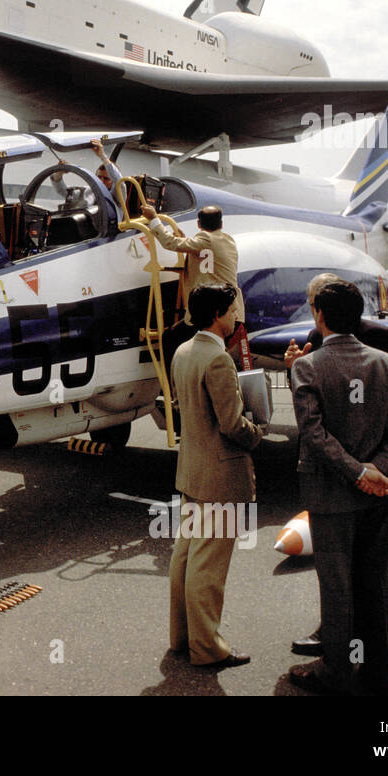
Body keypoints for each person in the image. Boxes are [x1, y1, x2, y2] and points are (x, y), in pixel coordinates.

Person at [287, 280, 388, 696]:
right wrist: (378, 471)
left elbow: (314, 435)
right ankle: (381, 675)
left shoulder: (307, 367)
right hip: (380, 497)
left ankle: (338, 674)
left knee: (338, 589)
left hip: (331, 499)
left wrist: (358, 472)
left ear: (319, 315)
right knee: (378, 587)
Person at [168, 283, 262, 668]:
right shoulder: (218, 359)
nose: (236, 315)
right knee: (208, 569)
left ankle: (182, 638)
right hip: (220, 476)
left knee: (186, 559)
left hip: (193, 470)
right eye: (232, 309)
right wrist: (258, 430)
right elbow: (231, 425)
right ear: (218, 314)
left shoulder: (183, 351)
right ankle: (207, 648)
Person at [140, 202, 248, 376]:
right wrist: (187, 242)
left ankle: (173, 389)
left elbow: (170, 243)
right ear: (221, 224)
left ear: (199, 224)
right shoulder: (228, 240)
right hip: (233, 314)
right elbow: (206, 255)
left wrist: (153, 219)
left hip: (213, 315)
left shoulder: (204, 240)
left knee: (169, 340)